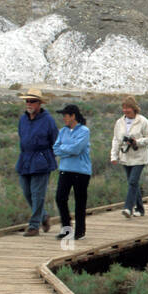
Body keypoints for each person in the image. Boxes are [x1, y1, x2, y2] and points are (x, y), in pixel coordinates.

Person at [16, 88, 57, 236]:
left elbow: (55, 141)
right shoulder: (23, 119)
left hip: (41, 160)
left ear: (39, 103)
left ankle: (34, 226)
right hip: (25, 159)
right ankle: (43, 215)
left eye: (32, 101)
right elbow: (21, 136)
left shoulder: (48, 120)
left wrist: (47, 157)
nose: (29, 104)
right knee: (27, 192)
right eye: (27, 101)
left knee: (37, 193)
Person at [53, 104, 91, 241]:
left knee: (80, 201)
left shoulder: (84, 131)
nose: (63, 118)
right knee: (60, 198)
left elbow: (77, 149)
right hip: (65, 169)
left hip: (81, 171)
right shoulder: (62, 131)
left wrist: (65, 149)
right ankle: (66, 228)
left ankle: (80, 231)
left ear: (73, 116)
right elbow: (56, 149)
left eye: (65, 115)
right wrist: (67, 149)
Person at [111, 96, 148, 218]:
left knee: (133, 181)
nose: (125, 110)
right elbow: (116, 140)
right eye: (124, 108)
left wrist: (137, 142)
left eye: (128, 108)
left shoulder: (143, 121)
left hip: (139, 157)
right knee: (133, 183)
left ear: (134, 108)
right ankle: (140, 208)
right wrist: (114, 155)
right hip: (125, 156)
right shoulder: (119, 122)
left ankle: (128, 208)